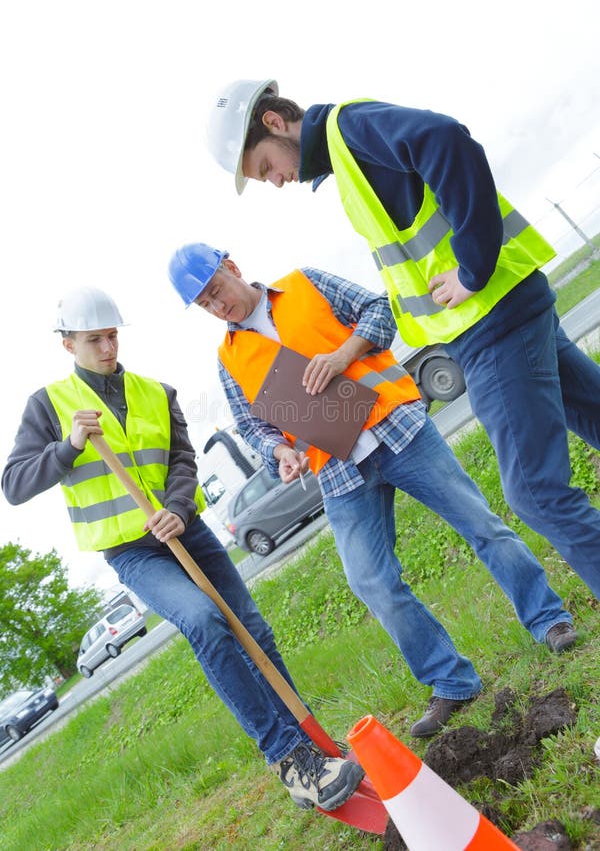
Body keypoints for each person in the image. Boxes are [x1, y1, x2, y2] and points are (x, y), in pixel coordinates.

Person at [206, 79, 600, 603]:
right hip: (500, 313)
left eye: (265, 168)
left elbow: (448, 140)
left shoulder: (350, 128)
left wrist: (473, 268)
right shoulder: (345, 157)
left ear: (274, 124)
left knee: (534, 494)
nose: (276, 182)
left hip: (490, 322)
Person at [167, 243, 578, 738]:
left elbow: (381, 309)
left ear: (231, 268)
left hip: (396, 429)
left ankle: (548, 620)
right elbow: (253, 426)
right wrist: (279, 451)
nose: (217, 307)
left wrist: (343, 354)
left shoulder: (304, 283)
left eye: (216, 291)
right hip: (338, 470)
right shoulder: (229, 359)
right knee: (370, 581)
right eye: (205, 305)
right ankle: (451, 681)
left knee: (481, 525)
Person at [1, 285, 365, 812]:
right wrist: (68, 447)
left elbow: (183, 461)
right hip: (134, 553)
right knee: (203, 620)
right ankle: (288, 757)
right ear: (68, 345)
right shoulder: (49, 406)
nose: (107, 347)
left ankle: (311, 741)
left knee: (254, 630)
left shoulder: (156, 392)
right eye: (93, 340)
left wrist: (178, 507)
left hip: (185, 531)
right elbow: (14, 484)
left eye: (111, 336)